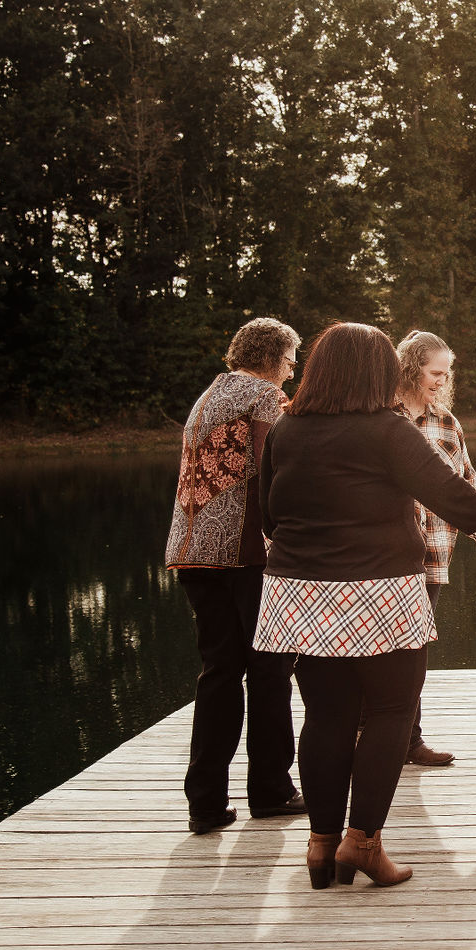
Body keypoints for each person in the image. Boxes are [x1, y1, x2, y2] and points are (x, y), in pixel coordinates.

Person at [251, 323, 476, 889]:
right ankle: (362, 844)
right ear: (376, 371)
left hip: (300, 594)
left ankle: (320, 846)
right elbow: (456, 498)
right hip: (380, 592)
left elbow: (267, 516)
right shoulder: (389, 431)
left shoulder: (287, 429)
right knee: (390, 713)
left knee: (326, 717)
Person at [164, 317, 306, 835]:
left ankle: (205, 801)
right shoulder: (264, 396)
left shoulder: (210, 395)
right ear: (271, 357)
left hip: (192, 551)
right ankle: (271, 791)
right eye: (290, 360)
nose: (292, 373)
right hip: (244, 555)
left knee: (219, 672)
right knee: (270, 670)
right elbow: (278, 473)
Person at [390, 330, 476, 767]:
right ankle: (375, 739)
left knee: (415, 650)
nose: (442, 381)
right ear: (410, 369)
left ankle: (410, 741)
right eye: (434, 373)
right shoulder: (382, 416)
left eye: (447, 374)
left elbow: (468, 488)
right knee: (381, 651)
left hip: (433, 555)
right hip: (384, 556)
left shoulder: (445, 422)